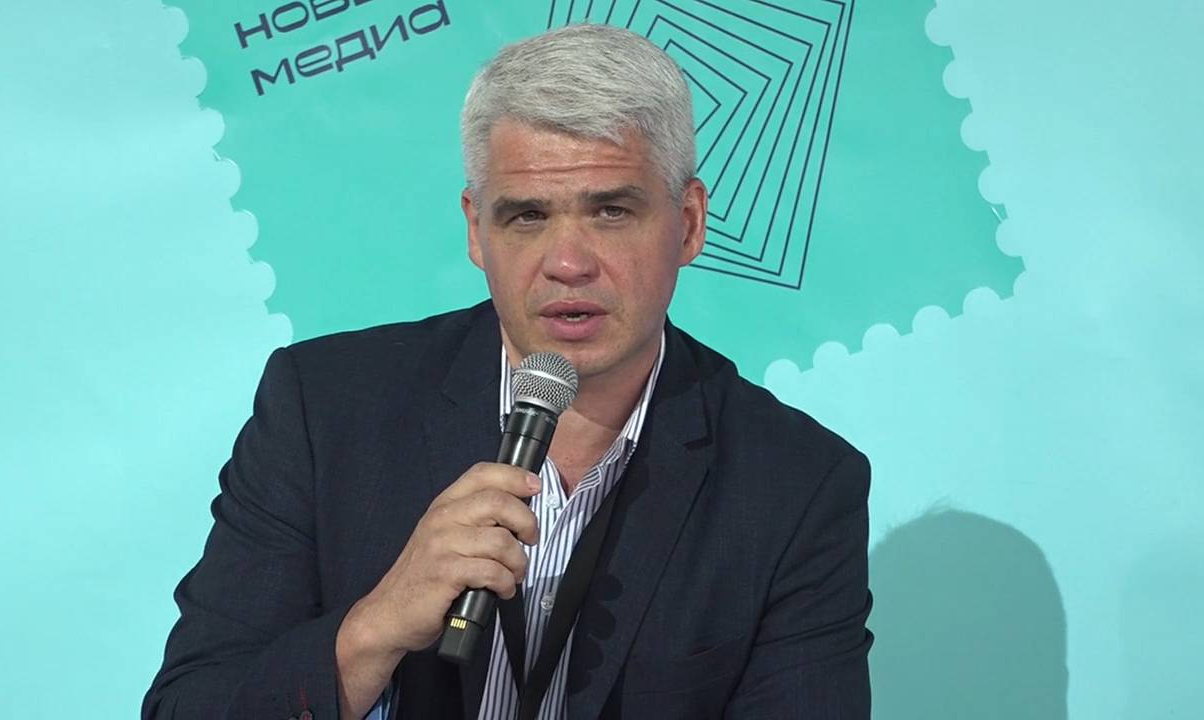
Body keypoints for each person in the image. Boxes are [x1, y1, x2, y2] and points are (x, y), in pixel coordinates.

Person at [144, 23, 872, 720]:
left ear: (687, 223)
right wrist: (375, 627)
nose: (568, 263)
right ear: (475, 230)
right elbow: (187, 707)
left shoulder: (797, 485)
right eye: (527, 217)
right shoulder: (324, 410)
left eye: (611, 211)